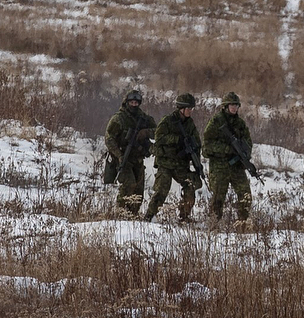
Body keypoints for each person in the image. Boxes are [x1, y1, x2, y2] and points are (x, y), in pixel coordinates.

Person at [145, 93, 202, 222]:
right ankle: (149, 216)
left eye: (191, 108)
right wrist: (177, 139)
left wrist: (197, 163)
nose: (190, 111)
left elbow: (197, 144)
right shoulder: (168, 121)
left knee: (190, 185)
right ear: (181, 108)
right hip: (165, 162)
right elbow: (159, 138)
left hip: (180, 165)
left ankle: (184, 216)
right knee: (161, 190)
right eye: (188, 108)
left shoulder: (190, 124)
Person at [202, 91, 254, 222]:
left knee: (245, 195)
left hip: (236, 166)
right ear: (225, 106)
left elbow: (248, 142)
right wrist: (227, 149)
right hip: (220, 167)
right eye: (232, 105)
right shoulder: (216, 122)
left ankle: (243, 223)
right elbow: (207, 146)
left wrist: (245, 154)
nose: (235, 108)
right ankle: (214, 224)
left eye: (236, 105)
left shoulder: (240, 124)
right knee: (218, 198)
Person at [104, 90, 157, 217]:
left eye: (136, 103)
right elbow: (109, 139)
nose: (134, 105)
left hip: (138, 158)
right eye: (131, 102)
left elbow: (158, 131)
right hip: (123, 158)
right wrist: (119, 155)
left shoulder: (144, 118)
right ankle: (120, 213)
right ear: (127, 102)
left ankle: (132, 215)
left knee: (138, 191)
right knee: (129, 184)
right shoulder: (119, 119)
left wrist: (146, 132)